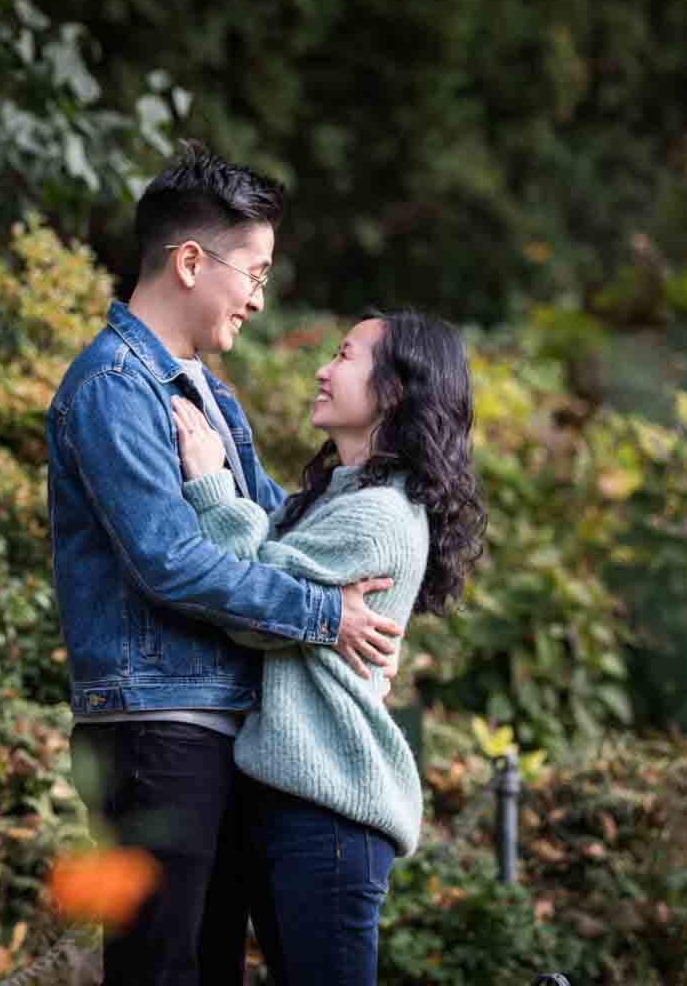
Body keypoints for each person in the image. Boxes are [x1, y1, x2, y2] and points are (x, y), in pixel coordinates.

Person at [45, 142, 406, 986]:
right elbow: (172, 561)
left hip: (218, 725)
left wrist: (372, 550)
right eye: (255, 270)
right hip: (155, 728)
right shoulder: (112, 388)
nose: (259, 296)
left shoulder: (207, 389)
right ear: (191, 260)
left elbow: (272, 528)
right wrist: (327, 616)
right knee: (161, 970)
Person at [170, 311, 487, 986]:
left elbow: (248, 603)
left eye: (345, 356)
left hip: (332, 813)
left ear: (394, 390)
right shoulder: (340, 497)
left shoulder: (376, 517)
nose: (323, 368)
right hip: (292, 801)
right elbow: (267, 565)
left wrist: (207, 484)